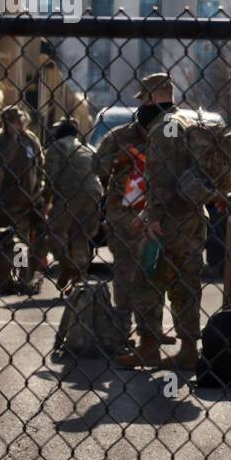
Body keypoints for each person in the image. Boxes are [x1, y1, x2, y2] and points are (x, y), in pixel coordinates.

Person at [117, 73, 206, 370]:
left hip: (168, 220)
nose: (141, 105)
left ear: (153, 97)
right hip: (192, 215)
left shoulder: (162, 128)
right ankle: (189, 348)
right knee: (186, 282)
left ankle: (148, 346)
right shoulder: (188, 121)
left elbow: (161, 177)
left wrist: (152, 216)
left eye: (143, 99)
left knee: (146, 281)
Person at [94, 106, 149, 333]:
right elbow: (96, 166)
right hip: (122, 212)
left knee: (151, 269)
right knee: (125, 269)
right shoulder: (118, 136)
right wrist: (119, 158)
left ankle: (149, 327)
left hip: (153, 210)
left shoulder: (166, 135)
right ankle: (123, 326)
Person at [0, 104, 45, 294]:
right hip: (5, 201)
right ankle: (7, 278)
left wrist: (39, 189)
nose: (19, 125)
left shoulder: (30, 140)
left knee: (26, 242)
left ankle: (23, 277)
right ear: (7, 122)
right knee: (10, 243)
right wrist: (13, 142)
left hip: (28, 200)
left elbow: (40, 164)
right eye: (15, 121)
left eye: (21, 121)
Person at [42, 120, 103, 293]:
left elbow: (50, 176)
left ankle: (67, 264)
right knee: (80, 236)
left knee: (54, 231)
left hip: (70, 193)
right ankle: (79, 284)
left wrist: (46, 200)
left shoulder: (57, 147)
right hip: (93, 193)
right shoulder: (88, 148)